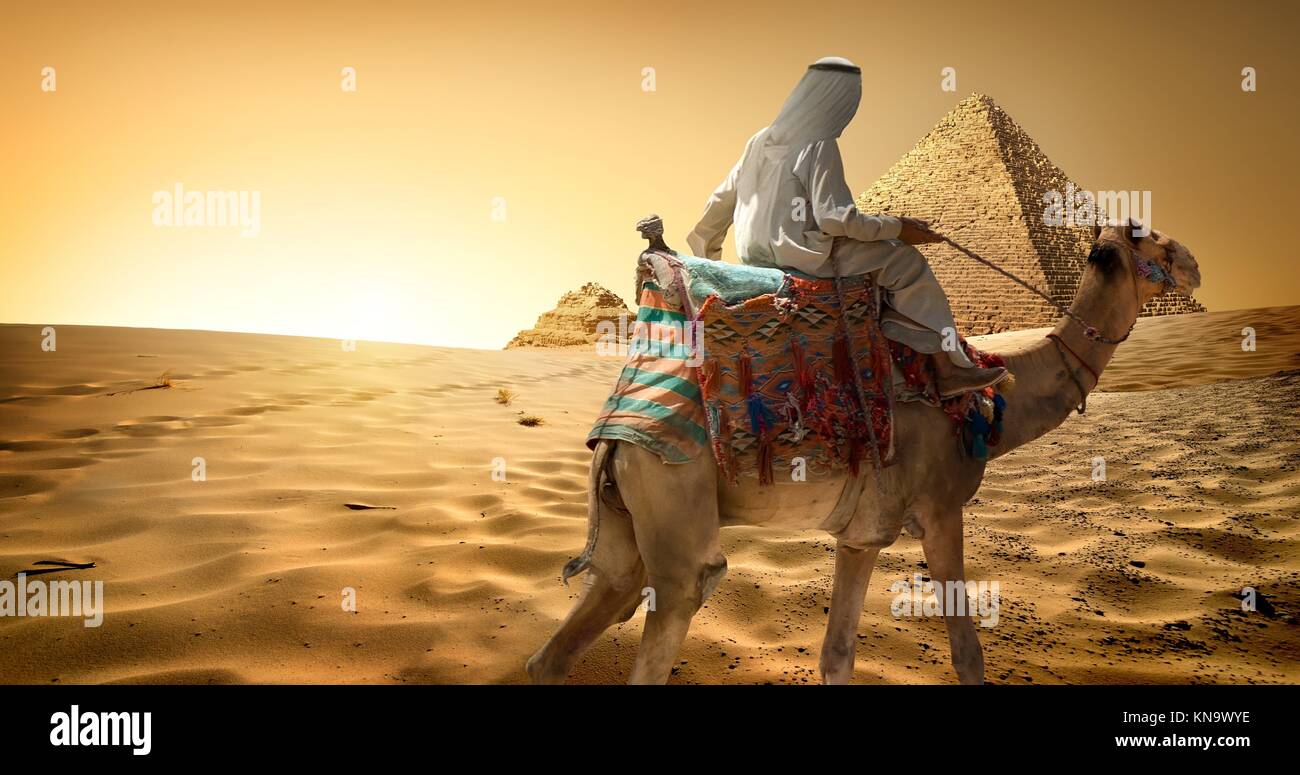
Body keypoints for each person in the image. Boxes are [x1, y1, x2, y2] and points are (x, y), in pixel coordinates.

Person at [685, 56, 1007, 397]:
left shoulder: (758, 142)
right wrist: (899, 228)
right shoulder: (818, 143)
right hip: (806, 256)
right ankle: (949, 368)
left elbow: (718, 203)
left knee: (887, 254)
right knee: (904, 262)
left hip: (753, 256)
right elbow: (836, 218)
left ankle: (897, 332)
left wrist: (712, 266)